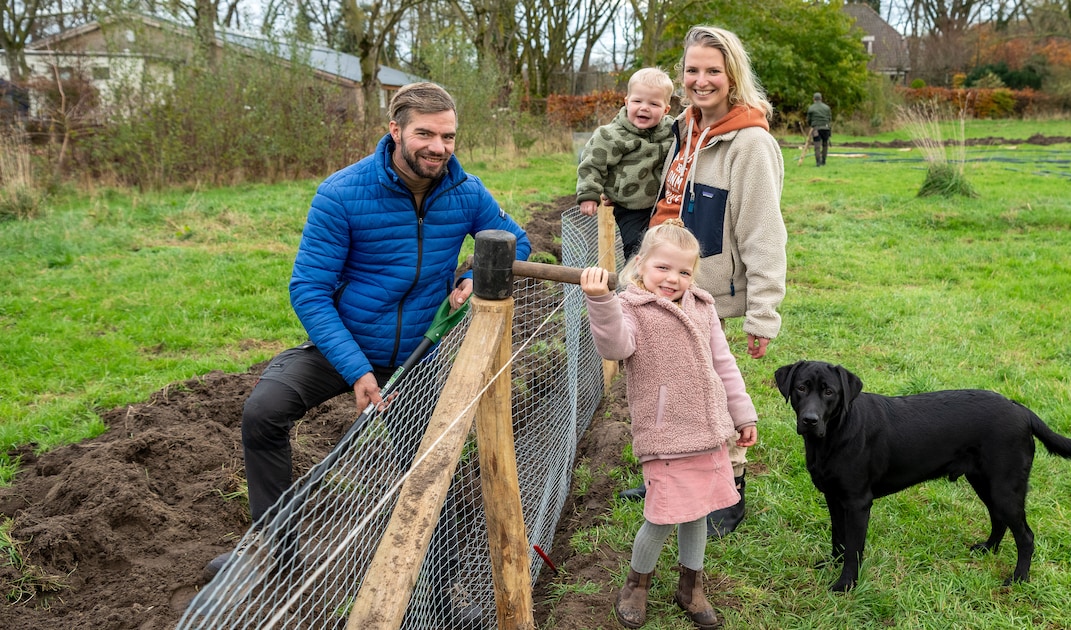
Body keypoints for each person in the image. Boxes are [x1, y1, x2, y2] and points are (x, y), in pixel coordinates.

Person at [203, 82, 530, 624]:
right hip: (346, 345)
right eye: (425, 133)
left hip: (418, 362)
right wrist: (355, 369)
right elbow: (308, 288)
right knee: (264, 411)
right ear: (395, 130)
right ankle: (276, 552)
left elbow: (516, 241)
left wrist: (472, 275)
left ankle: (438, 596)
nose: (439, 147)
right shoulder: (342, 192)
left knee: (429, 471)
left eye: (448, 135)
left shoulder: (466, 191)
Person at [620, 25, 787, 539]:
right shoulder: (684, 127)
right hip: (667, 280)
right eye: (692, 70)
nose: (700, 80)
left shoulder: (751, 143)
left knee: (712, 386)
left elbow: (763, 232)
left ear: (733, 75)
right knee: (666, 383)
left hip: (707, 288)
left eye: (713, 70)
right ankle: (667, 476)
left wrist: (763, 312)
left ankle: (730, 492)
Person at [580, 219, 758, 630]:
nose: (672, 279)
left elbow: (724, 364)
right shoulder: (628, 307)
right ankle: (637, 584)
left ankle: (690, 585)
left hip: (709, 429)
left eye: (683, 271)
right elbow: (614, 345)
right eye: (663, 268)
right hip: (665, 434)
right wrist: (600, 301)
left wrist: (742, 413)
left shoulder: (703, 305)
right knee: (662, 515)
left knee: (698, 510)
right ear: (640, 264)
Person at [576, 67, 675, 261]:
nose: (644, 107)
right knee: (636, 247)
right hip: (630, 207)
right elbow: (592, 165)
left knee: (666, 247)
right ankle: (634, 281)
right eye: (637, 101)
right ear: (627, 101)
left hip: (663, 203)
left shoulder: (672, 130)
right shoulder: (611, 135)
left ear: (666, 109)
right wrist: (589, 194)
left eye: (654, 103)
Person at [806, 92, 833, 166]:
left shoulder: (811, 108)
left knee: (817, 146)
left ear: (813, 99)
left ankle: (818, 162)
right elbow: (829, 118)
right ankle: (823, 161)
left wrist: (811, 125)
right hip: (826, 128)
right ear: (821, 99)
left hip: (816, 129)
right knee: (825, 145)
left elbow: (808, 120)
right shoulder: (827, 107)